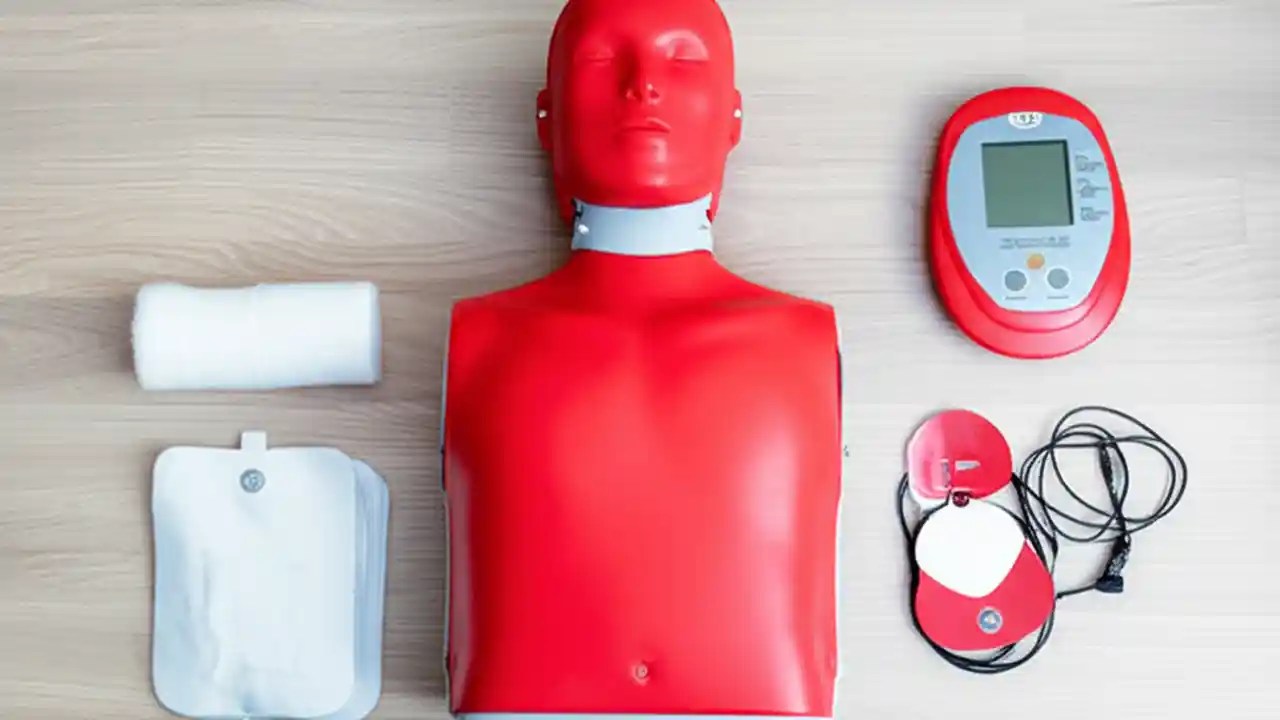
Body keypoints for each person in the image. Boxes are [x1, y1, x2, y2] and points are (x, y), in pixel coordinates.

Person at [442, 1, 842, 716]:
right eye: (602, 62)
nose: (642, 87)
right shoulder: (484, 334)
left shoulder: (802, 336)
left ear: (734, 120)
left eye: (682, 60)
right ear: (547, 118)